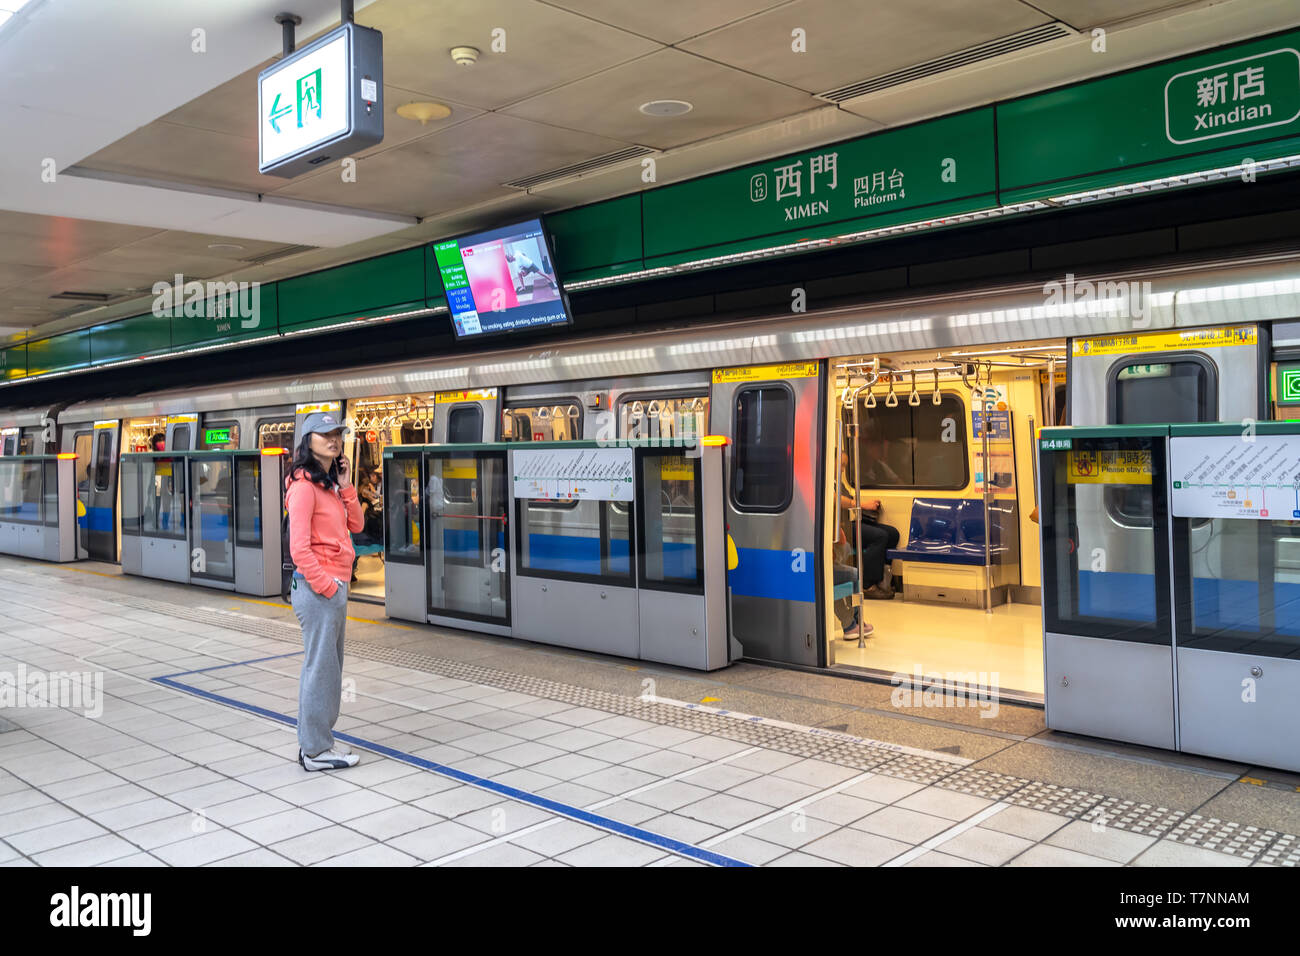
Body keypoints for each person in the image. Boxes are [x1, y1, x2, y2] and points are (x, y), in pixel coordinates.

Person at [285, 412, 364, 772]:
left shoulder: (328, 485)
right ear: (308, 441)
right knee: (322, 671)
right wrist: (327, 587)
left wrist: (346, 484)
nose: (333, 440)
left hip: (332, 586)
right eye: (324, 434)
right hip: (319, 589)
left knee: (326, 669)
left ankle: (316, 743)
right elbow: (299, 548)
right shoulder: (303, 487)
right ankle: (316, 750)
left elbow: (356, 524)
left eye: (337, 434)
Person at [840, 447, 901, 602]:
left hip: (851, 521)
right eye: (841, 465)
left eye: (844, 466)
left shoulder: (839, 483)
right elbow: (837, 500)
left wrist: (868, 507)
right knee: (879, 536)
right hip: (841, 527)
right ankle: (867, 585)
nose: (842, 469)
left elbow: (848, 501)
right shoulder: (826, 483)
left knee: (892, 533)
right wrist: (862, 505)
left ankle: (883, 579)